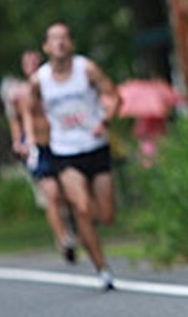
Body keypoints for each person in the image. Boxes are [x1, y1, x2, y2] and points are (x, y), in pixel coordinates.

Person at [27, 21, 121, 290]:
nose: (60, 43)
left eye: (65, 37)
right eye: (54, 39)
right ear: (46, 47)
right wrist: (31, 137)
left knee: (106, 215)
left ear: (72, 44)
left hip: (95, 145)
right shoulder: (39, 81)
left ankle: (84, 230)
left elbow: (114, 95)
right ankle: (102, 270)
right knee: (82, 208)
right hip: (65, 151)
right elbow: (28, 110)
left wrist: (106, 119)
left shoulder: (86, 69)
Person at [3, 49, 76, 264]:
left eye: (36, 62)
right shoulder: (20, 94)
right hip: (38, 147)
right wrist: (20, 142)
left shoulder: (54, 86)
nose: (32, 67)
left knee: (67, 194)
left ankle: (70, 226)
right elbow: (17, 121)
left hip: (60, 142)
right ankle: (63, 239)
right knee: (51, 194)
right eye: (28, 63)